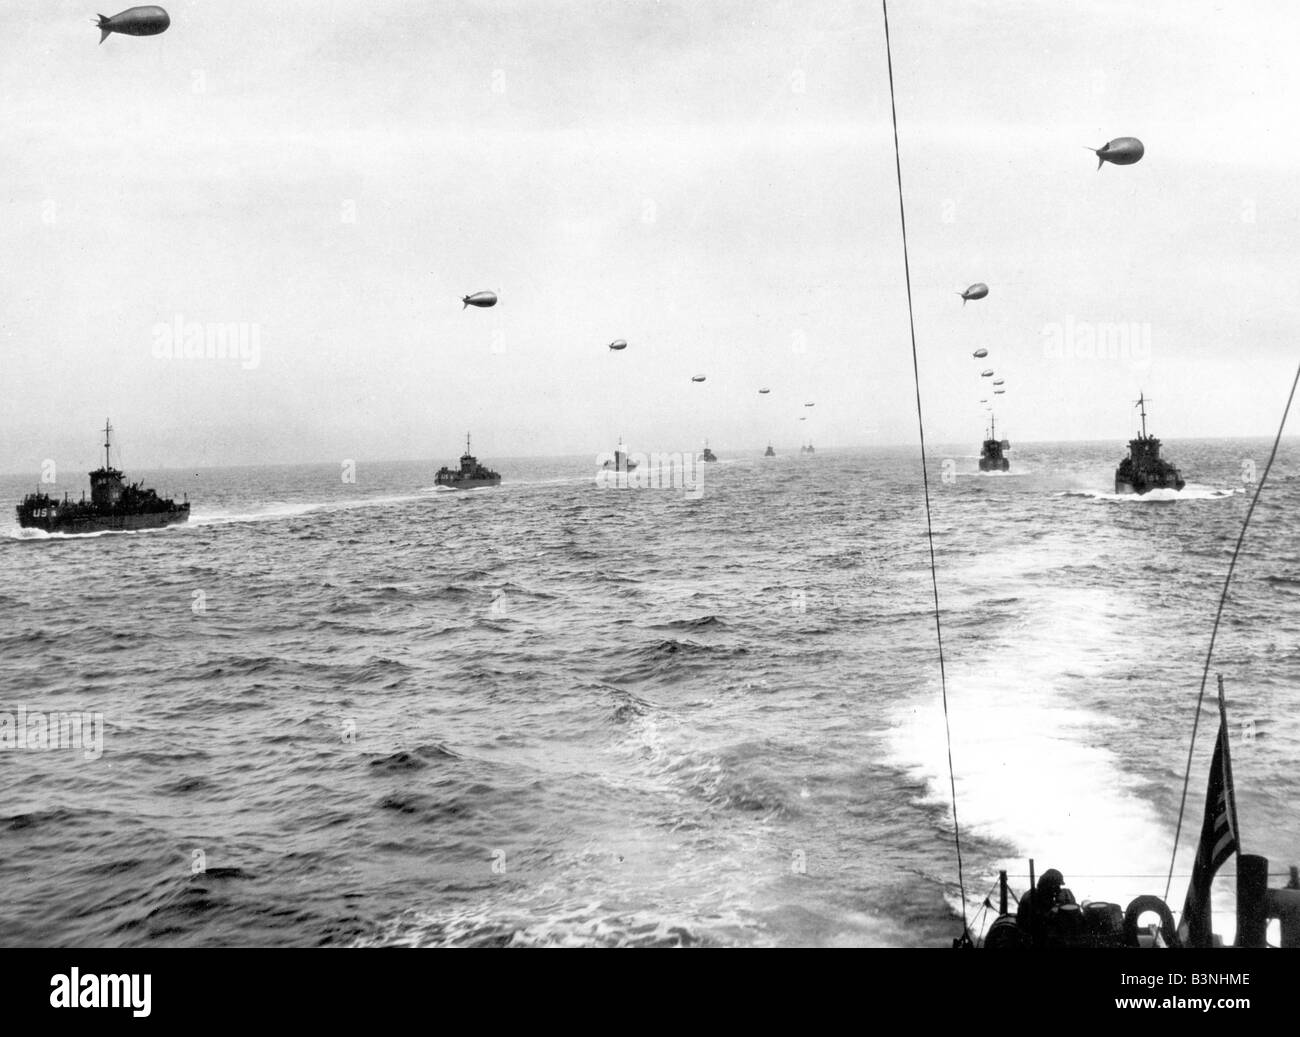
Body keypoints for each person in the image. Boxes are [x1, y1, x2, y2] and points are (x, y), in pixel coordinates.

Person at [1016, 869, 1078, 946]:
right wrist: (1054, 911)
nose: (1058, 889)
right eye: (1057, 886)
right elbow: (1039, 921)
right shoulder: (1032, 898)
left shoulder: (1043, 894)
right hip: (1032, 935)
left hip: (1040, 929)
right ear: (1049, 886)